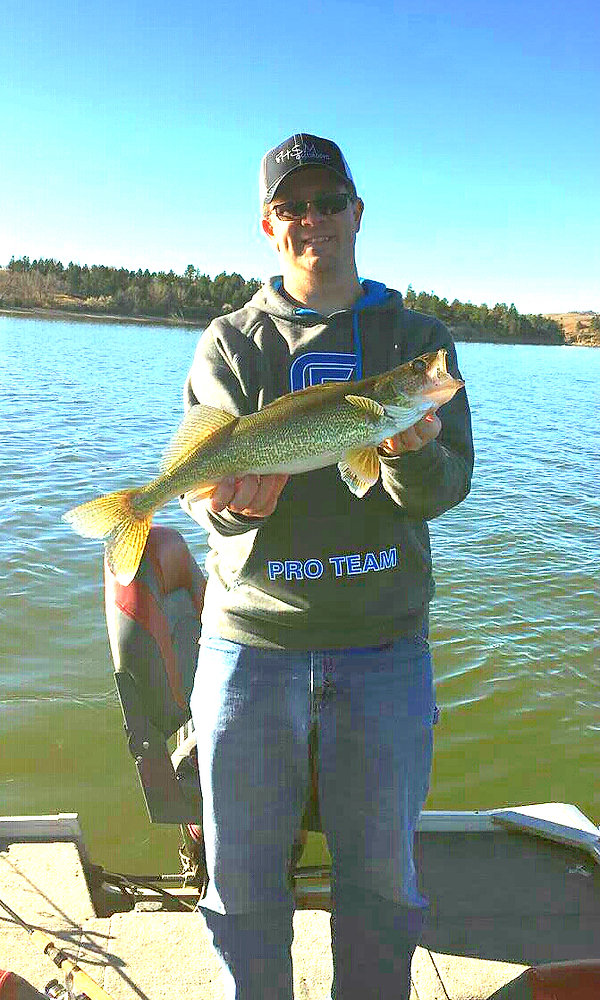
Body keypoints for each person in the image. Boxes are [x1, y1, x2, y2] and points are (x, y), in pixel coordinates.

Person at [180, 133, 474, 1000]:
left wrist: (409, 454)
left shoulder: (416, 338)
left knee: (382, 890)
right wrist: (221, 501)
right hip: (248, 652)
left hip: (384, 651)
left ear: (357, 212)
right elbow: (209, 481)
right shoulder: (230, 340)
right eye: (292, 206)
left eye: (329, 201)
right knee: (241, 892)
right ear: (270, 226)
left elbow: (445, 485)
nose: (313, 219)